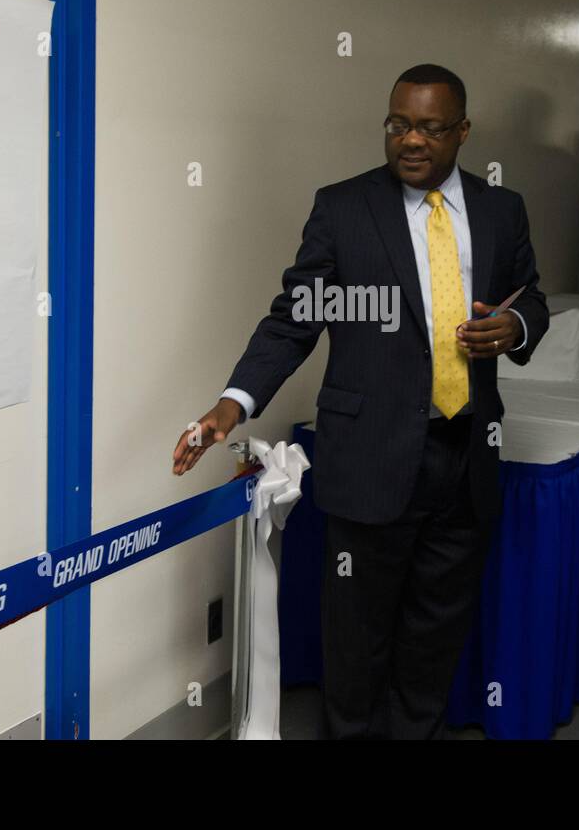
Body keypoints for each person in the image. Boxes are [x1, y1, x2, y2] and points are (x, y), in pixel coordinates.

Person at [171, 64, 550, 739]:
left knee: (436, 627)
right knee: (357, 635)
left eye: (431, 127)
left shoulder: (502, 210)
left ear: (463, 131)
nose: (411, 140)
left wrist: (515, 327)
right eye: (398, 123)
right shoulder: (344, 208)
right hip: (369, 453)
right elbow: (295, 319)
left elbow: (533, 298)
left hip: (466, 455)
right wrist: (232, 404)